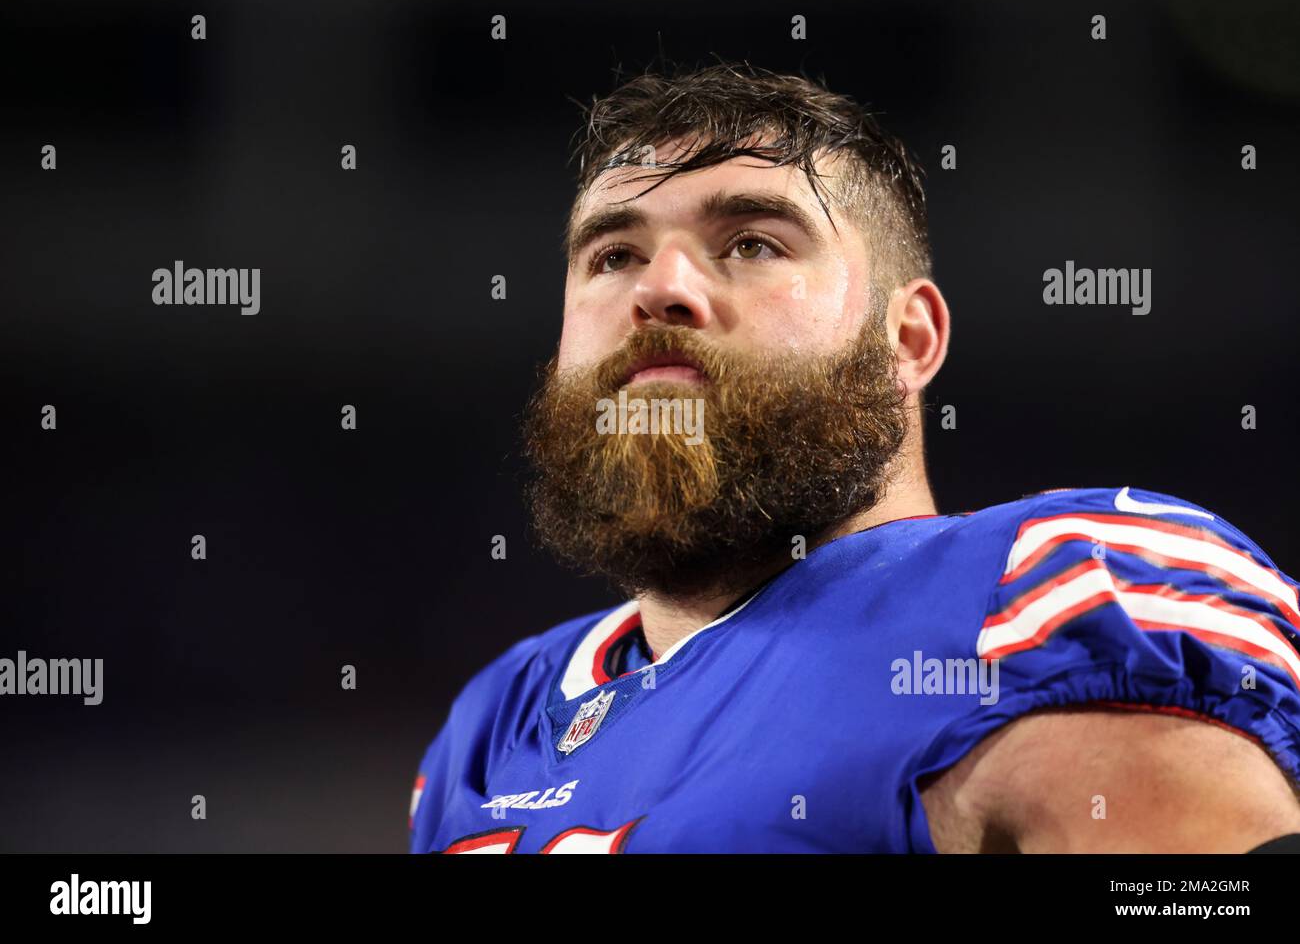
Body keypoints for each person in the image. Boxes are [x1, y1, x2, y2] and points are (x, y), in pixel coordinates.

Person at [409, 62, 1300, 853]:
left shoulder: (1042, 596)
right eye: (613, 254)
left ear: (906, 338)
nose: (660, 289)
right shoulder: (494, 723)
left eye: (752, 243)